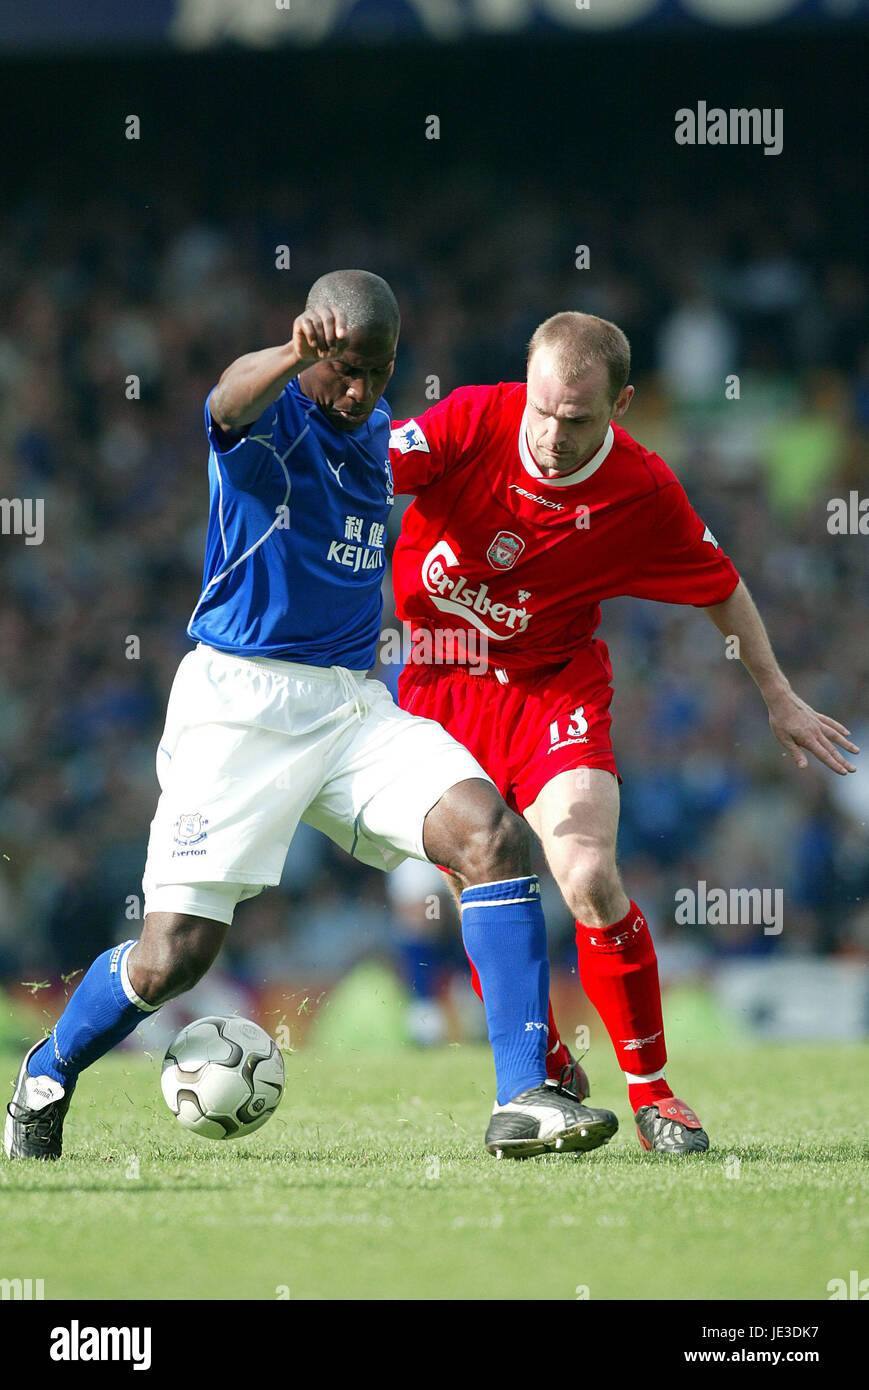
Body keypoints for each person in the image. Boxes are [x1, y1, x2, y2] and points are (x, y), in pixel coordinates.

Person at [5, 276, 619, 1164]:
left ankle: (523, 1093)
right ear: (314, 355)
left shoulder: (374, 432)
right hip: (239, 707)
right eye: (344, 371)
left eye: (379, 372)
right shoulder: (271, 425)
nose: (361, 391)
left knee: (489, 834)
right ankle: (48, 1071)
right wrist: (293, 355)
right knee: (173, 957)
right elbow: (223, 397)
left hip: (348, 705)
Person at [389, 310, 859, 1154]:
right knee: (476, 879)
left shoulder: (639, 489)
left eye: (577, 419)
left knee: (588, 875)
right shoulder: (467, 418)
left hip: (550, 686)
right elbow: (356, 468)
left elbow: (721, 585)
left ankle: (652, 1094)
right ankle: (539, 1064)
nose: (552, 434)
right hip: (436, 678)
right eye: (541, 409)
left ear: (623, 404)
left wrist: (776, 693)